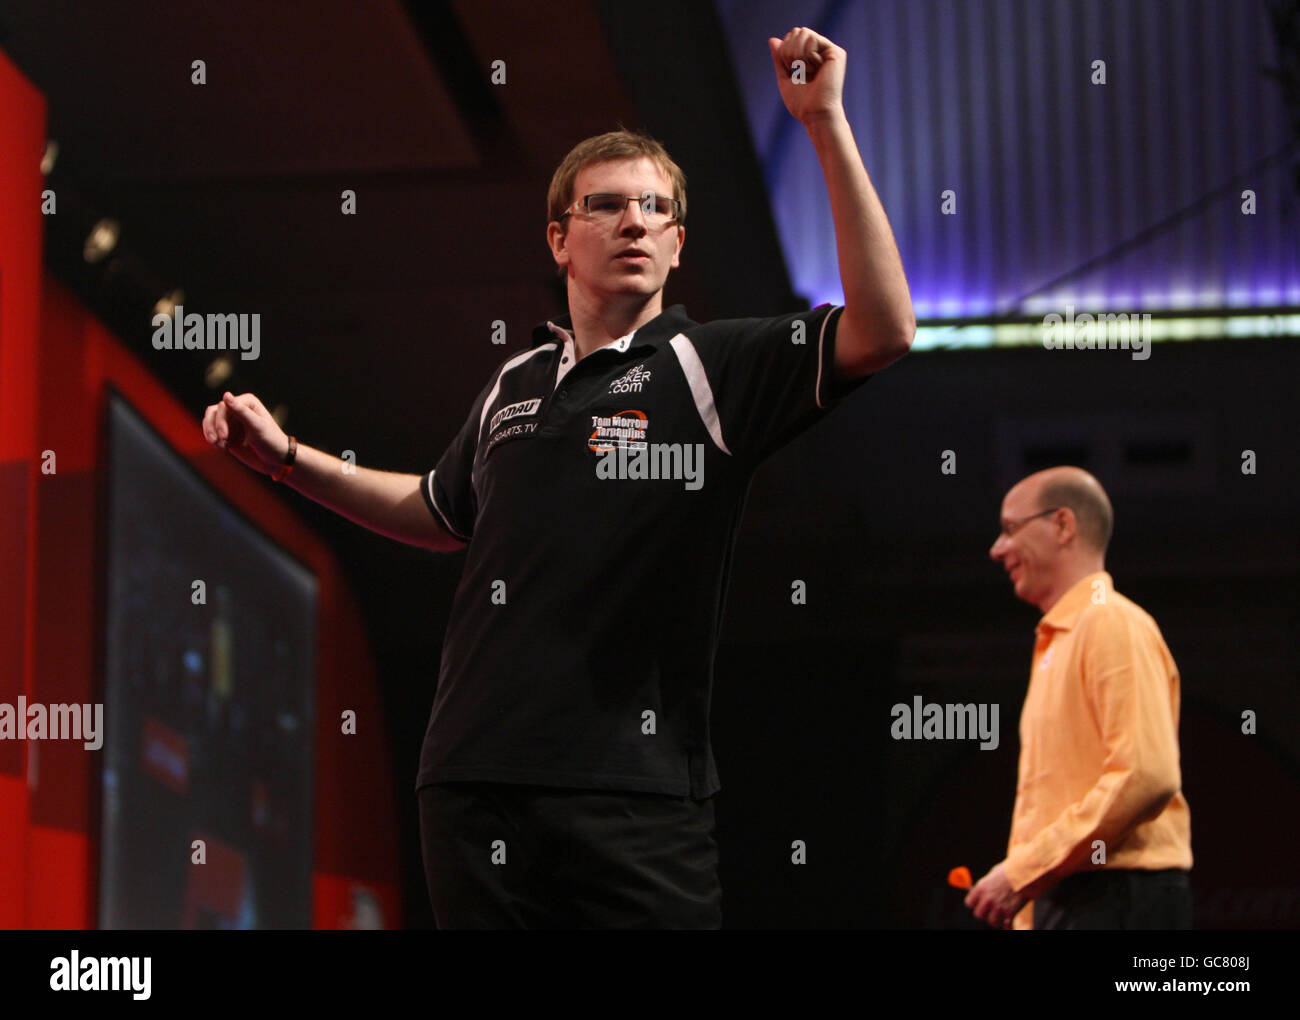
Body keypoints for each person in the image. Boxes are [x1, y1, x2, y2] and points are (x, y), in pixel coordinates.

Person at [201, 26, 914, 928]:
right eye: (607, 205)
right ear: (558, 239)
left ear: (678, 244)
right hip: (472, 784)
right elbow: (435, 509)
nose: (633, 222)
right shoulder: (515, 383)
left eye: (656, 209)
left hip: (636, 793)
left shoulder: (712, 366)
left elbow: (884, 330)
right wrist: (290, 461)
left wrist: (824, 123)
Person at [968, 466, 1193, 930]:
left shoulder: (1109, 623)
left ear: (1063, 525)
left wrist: (1022, 874)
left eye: (1010, 529)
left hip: (1118, 892)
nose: (997, 549)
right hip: (1075, 894)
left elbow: (1147, 775)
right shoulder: (1061, 640)